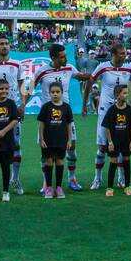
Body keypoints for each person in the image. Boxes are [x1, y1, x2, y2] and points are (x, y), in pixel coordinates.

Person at [30, 43, 90, 191]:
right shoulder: (42, 71)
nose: (65, 59)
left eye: (65, 56)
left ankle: (72, 179)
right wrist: (23, 103)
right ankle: (46, 182)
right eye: (62, 57)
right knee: (46, 151)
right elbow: (31, 86)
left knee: (72, 146)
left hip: (66, 117)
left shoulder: (69, 68)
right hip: (48, 118)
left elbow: (80, 76)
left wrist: (89, 75)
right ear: (53, 58)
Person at [87, 44, 131, 191]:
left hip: (122, 111)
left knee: (122, 145)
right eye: (121, 53)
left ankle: (121, 179)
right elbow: (90, 82)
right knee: (103, 146)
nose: (124, 55)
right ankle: (97, 178)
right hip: (105, 110)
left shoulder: (129, 69)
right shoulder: (103, 67)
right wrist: (85, 103)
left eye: (125, 53)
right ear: (113, 54)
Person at [35, 81, 74, 197]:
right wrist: (41, 139)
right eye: (53, 92)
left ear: (62, 93)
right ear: (49, 93)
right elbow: (41, 124)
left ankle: (59, 187)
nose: (55, 94)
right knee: (49, 161)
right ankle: (49, 188)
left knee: (60, 161)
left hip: (61, 140)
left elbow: (69, 125)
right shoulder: (46, 107)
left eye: (57, 92)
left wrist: (70, 140)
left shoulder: (66, 107)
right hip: (48, 141)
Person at [99, 84, 131, 197]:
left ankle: (127, 186)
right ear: (117, 95)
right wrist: (110, 142)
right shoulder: (112, 110)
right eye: (124, 93)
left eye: (127, 92)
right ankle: (110, 188)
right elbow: (107, 127)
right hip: (114, 142)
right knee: (114, 161)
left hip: (126, 141)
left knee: (126, 160)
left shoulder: (129, 110)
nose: (126, 95)